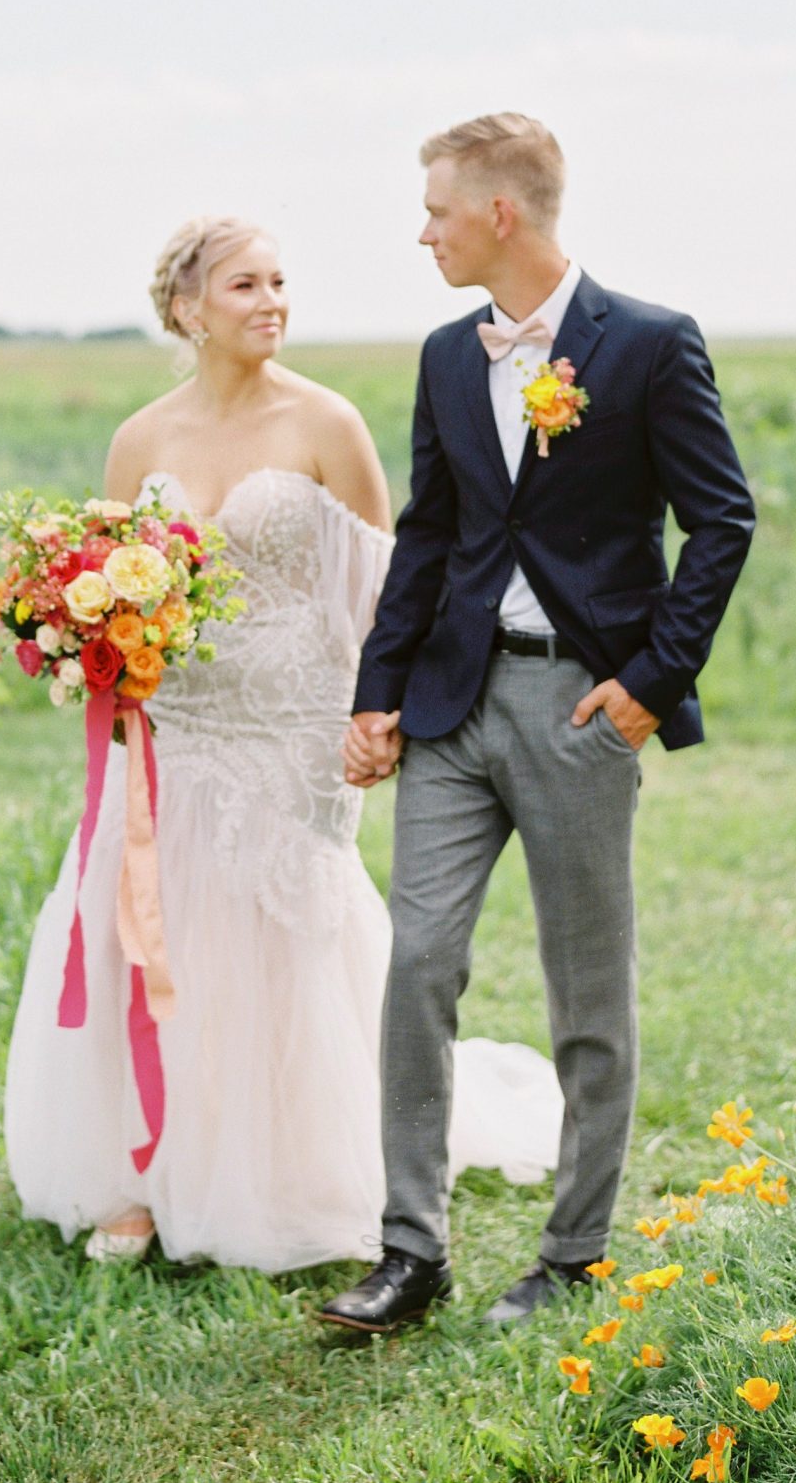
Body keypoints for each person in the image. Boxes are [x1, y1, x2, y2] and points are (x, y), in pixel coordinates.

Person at [5, 216, 562, 1271]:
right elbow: (112, 577)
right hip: (177, 725)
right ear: (185, 308)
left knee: (277, 928)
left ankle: (295, 1163)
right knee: (145, 917)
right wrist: (86, 648)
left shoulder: (325, 422)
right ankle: (145, 1169)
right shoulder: (140, 437)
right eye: (242, 285)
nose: (270, 301)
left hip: (293, 724)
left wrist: (379, 707)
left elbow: (390, 586)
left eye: (277, 282)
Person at [319, 112, 755, 1333]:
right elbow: (429, 531)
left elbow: (720, 523)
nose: (423, 231)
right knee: (415, 963)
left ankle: (572, 1252)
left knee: (585, 988)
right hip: (452, 700)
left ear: (498, 213)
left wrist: (649, 684)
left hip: (578, 705)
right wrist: (377, 687)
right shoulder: (448, 355)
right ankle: (412, 1249)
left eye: (437, 211)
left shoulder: (652, 346)